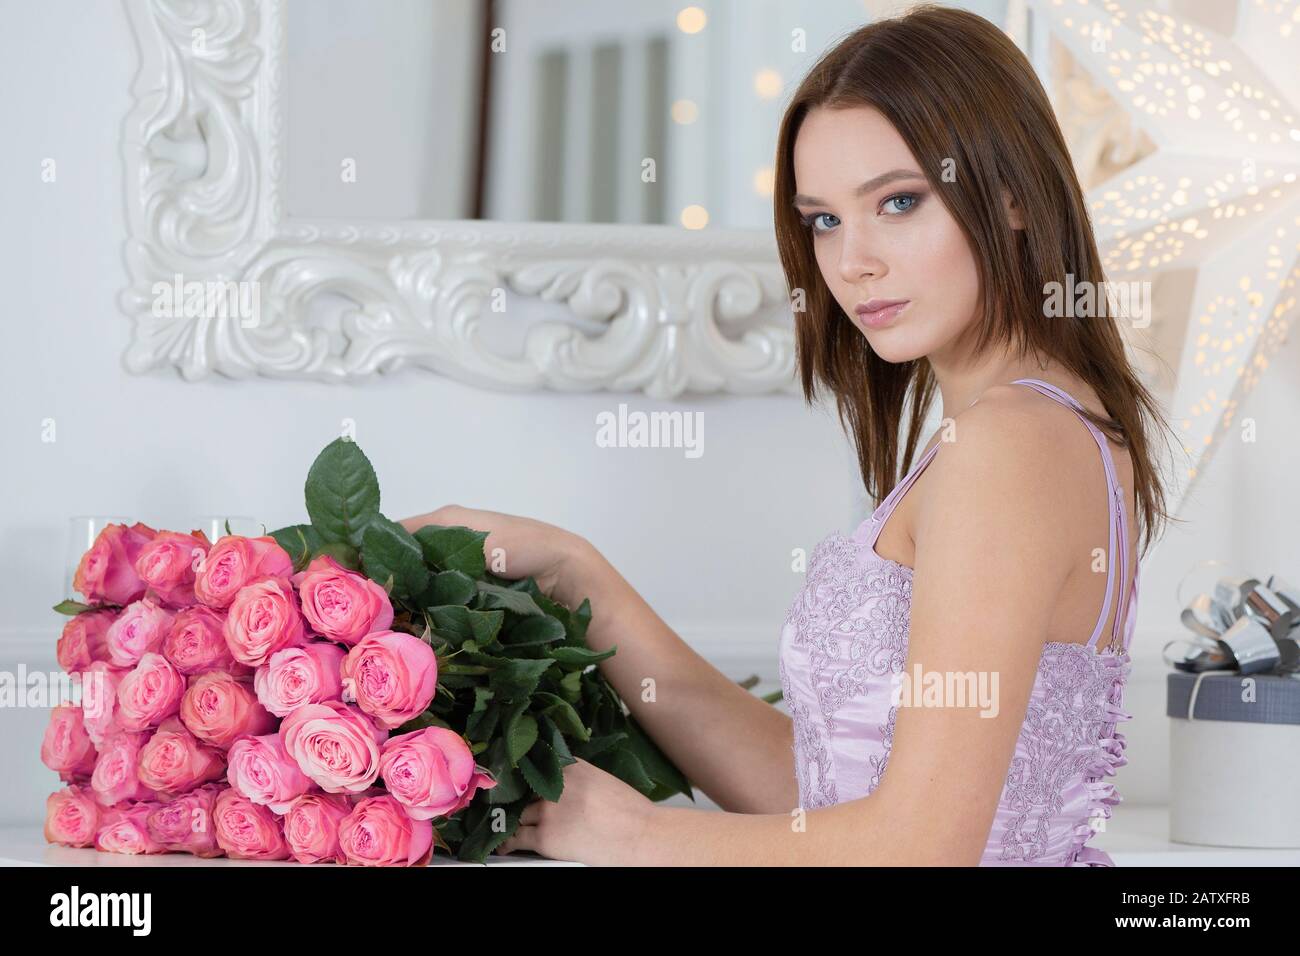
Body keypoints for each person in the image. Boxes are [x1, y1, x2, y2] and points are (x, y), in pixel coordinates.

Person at [401, 4, 1174, 865]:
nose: (853, 262)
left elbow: (920, 845)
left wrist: (638, 832)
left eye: (900, 202)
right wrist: (581, 578)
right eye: (825, 220)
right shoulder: (1036, 429)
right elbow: (829, 796)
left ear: (1015, 196)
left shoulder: (1011, 446)